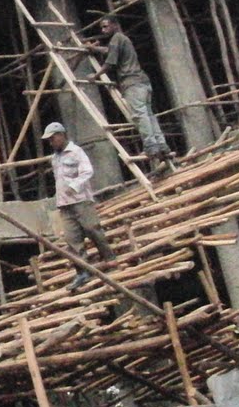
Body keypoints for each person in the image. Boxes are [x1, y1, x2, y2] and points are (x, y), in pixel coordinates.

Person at [45, 121, 116, 291]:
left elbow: (87, 171)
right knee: (72, 239)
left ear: (61, 135)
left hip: (81, 200)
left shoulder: (76, 152)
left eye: (53, 138)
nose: (51, 142)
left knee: (92, 228)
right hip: (64, 204)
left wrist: (74, 186)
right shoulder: (55, 158)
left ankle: (109, 257)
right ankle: (83, 271)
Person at [95, 16, 172, 173]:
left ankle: (151, 147)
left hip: (132, 83)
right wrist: (95, 49)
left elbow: (110, 62)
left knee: (140, 115)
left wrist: (95, 76)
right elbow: (110, 51)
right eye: (102, 28)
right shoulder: (123, 39)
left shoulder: (116, 38)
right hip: (143, 82)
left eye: (106, 27)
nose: (104, 31)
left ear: (115, 25)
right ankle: (162, 145)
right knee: (149, 115)